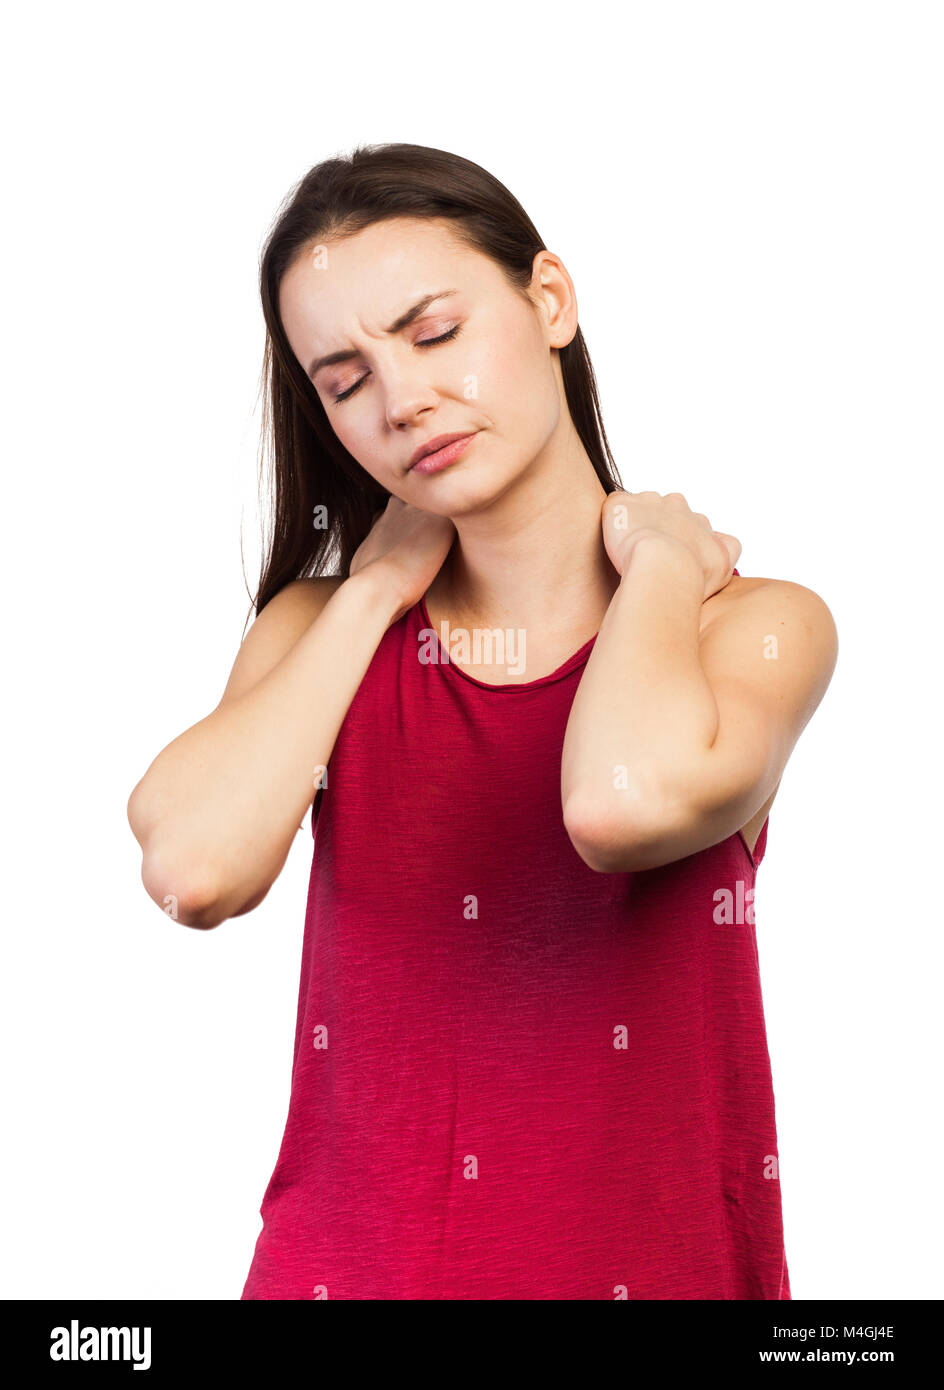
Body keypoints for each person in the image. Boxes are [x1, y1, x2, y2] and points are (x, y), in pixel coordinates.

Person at [127, 143, 838, 1300]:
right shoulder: (323, 634)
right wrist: (365, 594)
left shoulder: (744, 627)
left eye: (433, 332)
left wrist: (656, 566)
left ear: (546, 300)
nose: (402, 398)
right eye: (344, 379)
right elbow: (193, 869)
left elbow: (620, 800)